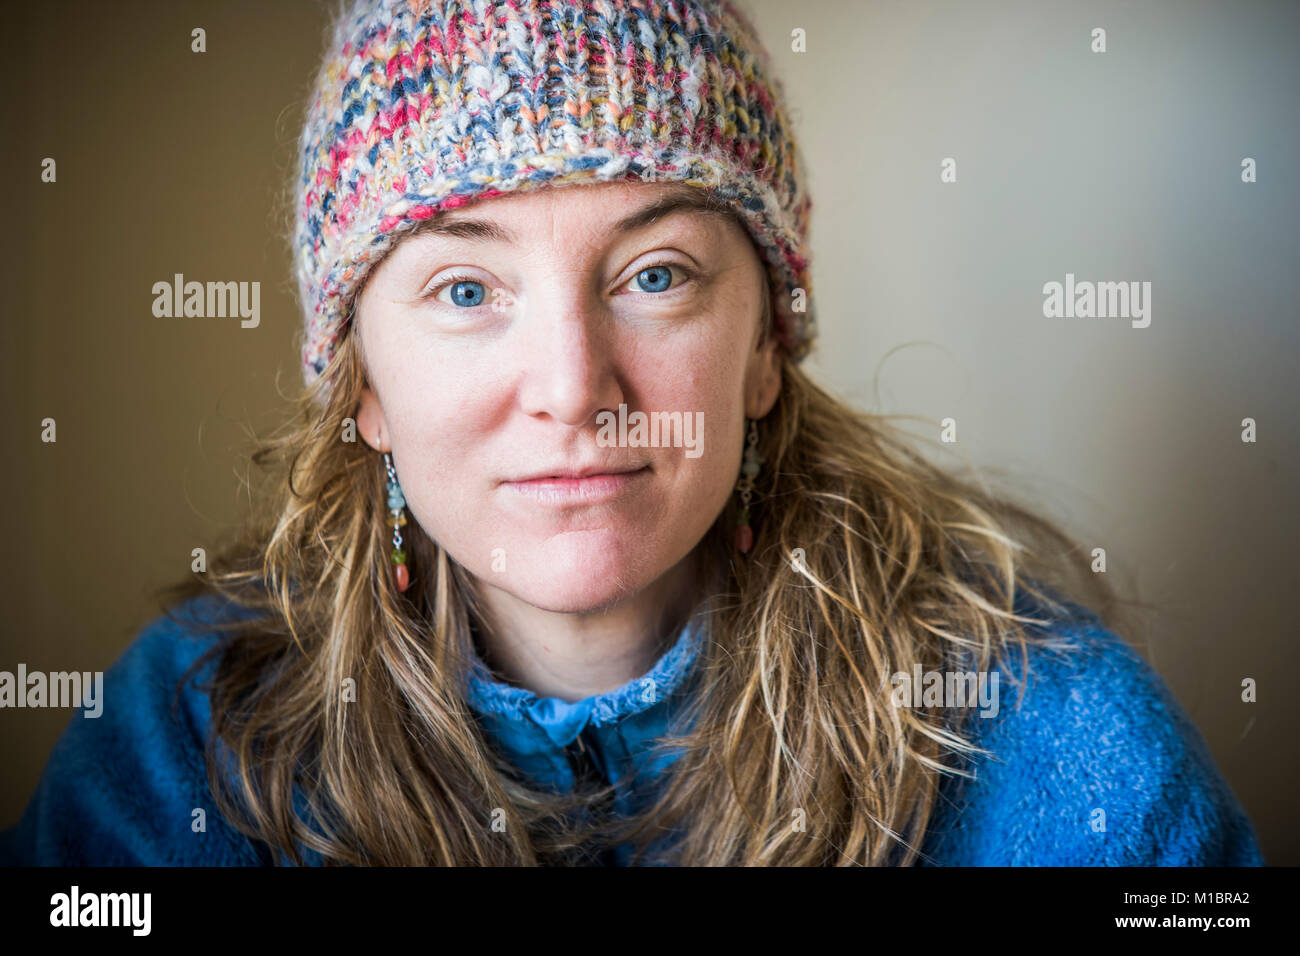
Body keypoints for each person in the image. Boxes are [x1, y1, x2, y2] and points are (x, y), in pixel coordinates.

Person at [0, 0, 1264, 866]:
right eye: (464, 289)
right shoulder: (187, 736)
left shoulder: (1035, 726)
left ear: (767, 344)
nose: (570, 387)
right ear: (363, 385)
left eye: (654, 273)